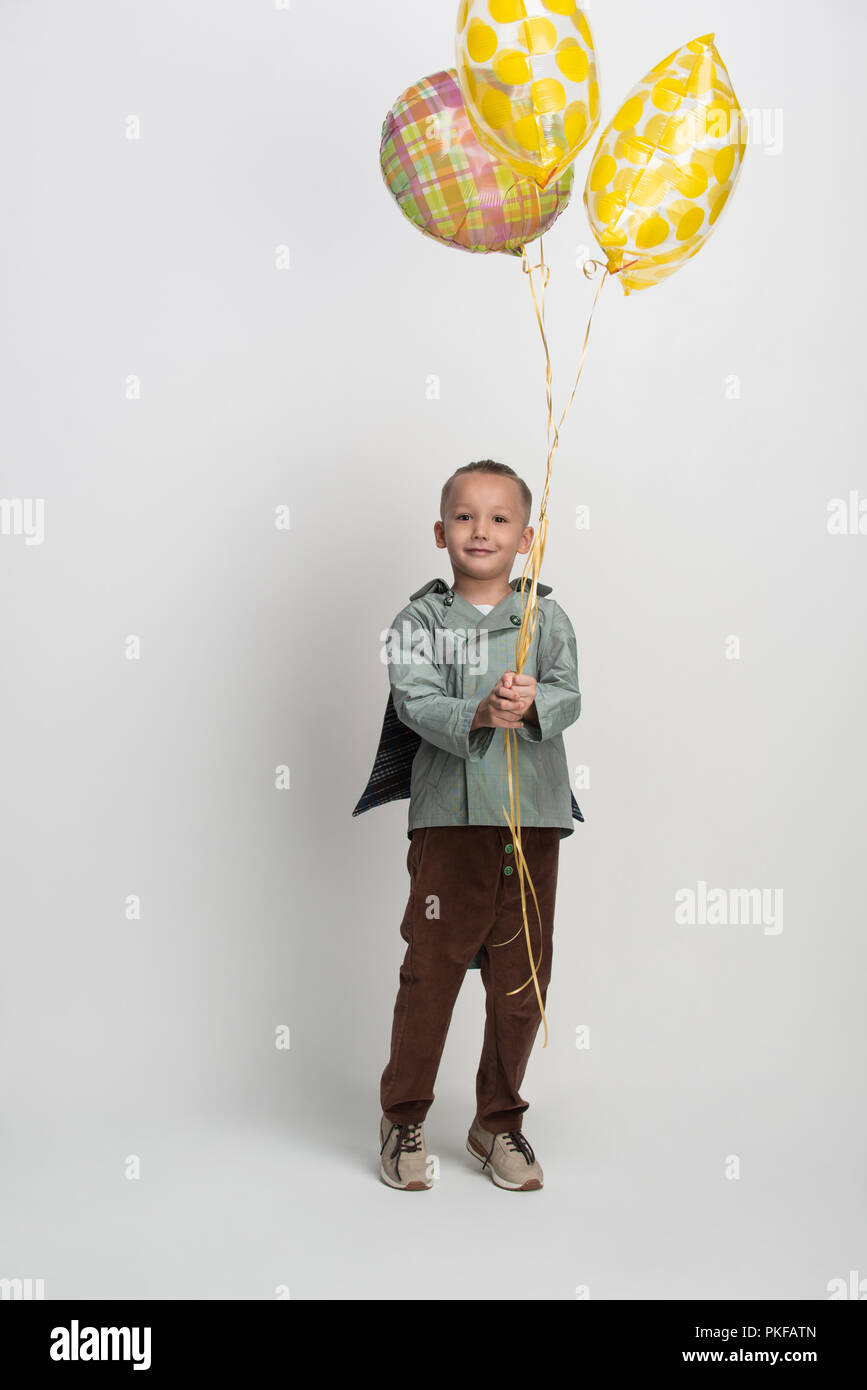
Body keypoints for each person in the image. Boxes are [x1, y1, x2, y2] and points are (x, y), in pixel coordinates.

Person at [355, 459, 583, 1191]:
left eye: (498, 518)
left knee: (522, 979)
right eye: (463, 516)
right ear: (439, 531)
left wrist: (535, 701)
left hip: (531, 819)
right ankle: (403, 1115)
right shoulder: (417, 621)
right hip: (450, 824)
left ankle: (498, 1122)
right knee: (432, 969)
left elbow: (568, 695)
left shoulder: (546, 619)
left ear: (527, 536)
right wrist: (477, 712)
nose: (479, 530)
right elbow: (414, 701)